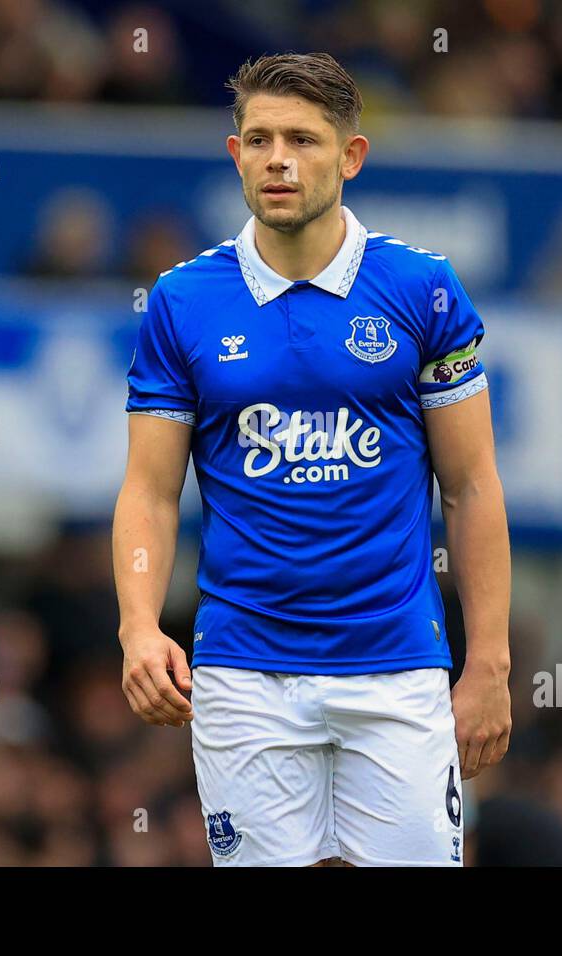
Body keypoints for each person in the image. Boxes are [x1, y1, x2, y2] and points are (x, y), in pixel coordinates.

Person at [112, 52, 512, 867]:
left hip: (397, 667)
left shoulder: (422, 290)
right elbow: (150, 493)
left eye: (302, 139)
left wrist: (489, 664)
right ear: (235, 157)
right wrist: (137, 627)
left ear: (351, 157)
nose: (278, 160)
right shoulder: (183, 301)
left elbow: (471, 488)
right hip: (243, 673)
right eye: (257, 140)